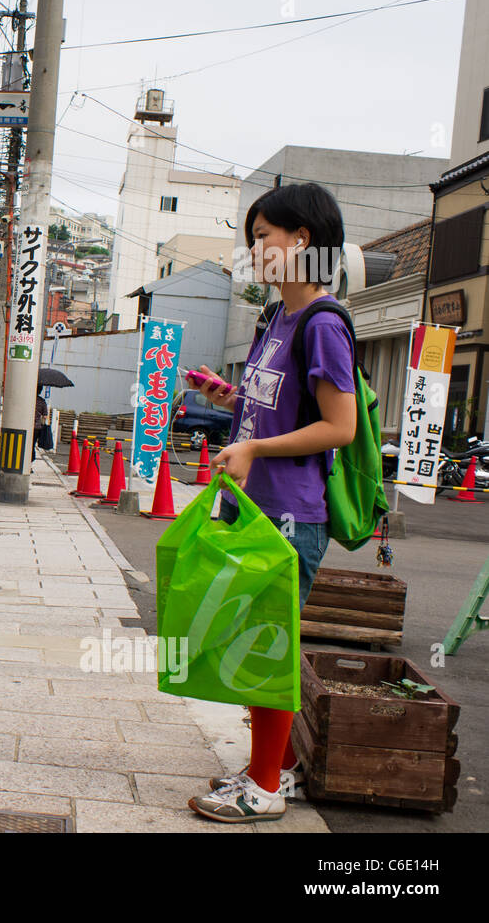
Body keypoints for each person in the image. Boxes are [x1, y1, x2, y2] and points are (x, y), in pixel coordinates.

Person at [187, 182, 357, 824]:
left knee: (267, 647)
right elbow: (280, 408)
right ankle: (274, 769)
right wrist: (231, 399)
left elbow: (338, 426)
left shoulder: (321, 322)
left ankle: (263, 788)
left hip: (290, 513)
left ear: (302, 241)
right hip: (253, 507)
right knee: (249, 640)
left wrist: (255, 451)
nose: (252, 250)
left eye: (262, 237)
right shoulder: (275, 318)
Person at [32, 391, 48, 465]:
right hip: (37, 427)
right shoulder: (42, 401)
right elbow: (45, 416)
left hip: (27, 425)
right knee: (32, 445)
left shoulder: (28, 398)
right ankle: (30, 464)